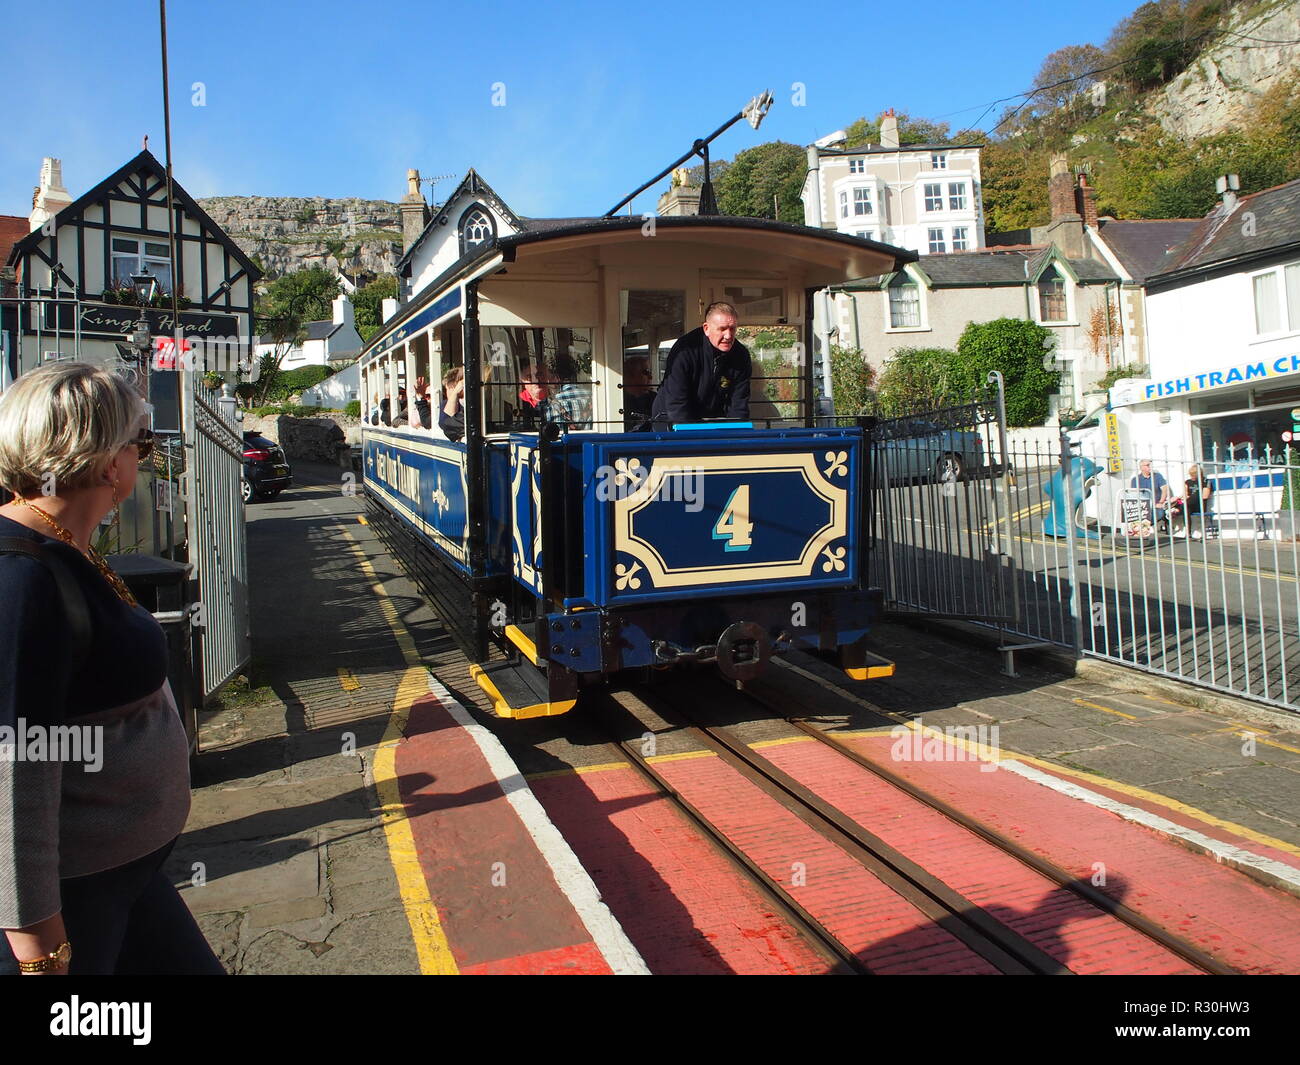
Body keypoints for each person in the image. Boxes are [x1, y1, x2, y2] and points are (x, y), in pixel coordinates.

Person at [0, 362, 222, 975]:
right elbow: (16, 767)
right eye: (139, 444)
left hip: (129, 872)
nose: (144, 459)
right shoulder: (22, 579)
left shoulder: (64, 545)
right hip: (76, 899)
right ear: (106, 463)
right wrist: (39, 947)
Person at [651, 301, 751, 428]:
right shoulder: (685, 350)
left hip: (711, 418)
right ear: (706, 328)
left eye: (732, 329)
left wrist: (737, 437)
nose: (728, 335)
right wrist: (687, 436)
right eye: (722, 329)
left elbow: (739, 405)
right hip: (668, 418)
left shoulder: (740, 355)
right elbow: (677, 402)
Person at [548, 354, 591, 430]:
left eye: (550, 378)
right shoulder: (592, 397)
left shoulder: (551, 405)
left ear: (557, 377)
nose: (548, 382)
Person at [1130, 458, 1172, 528]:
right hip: (1143, 506)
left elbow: (1164, 490)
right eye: (1147, 465)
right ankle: (1143, 528)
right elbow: (1134, 494)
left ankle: (1144, 527)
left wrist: (1161, 502)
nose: (1150, 467)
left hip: (1156, 505)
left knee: (1159, 513)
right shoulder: (1135, 480)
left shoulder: (1157, 476)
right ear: (1141, 468)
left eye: (1150, 465)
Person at [622, 354, 656, 431]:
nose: (650, 377)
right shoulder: (619, 401)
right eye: (646, 372)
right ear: (629, 376)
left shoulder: (656, 399)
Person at [1180, 464, 1215, 539]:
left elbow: (1205, 496)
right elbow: (1185, 495)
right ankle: (1188, 532)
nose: (1191, 477)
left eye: (1193, 475)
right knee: (1186, 507)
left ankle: (1178, 508)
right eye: (1191, 475)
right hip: (1190, 505)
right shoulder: (1187, 482)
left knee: (1196, 495)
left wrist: (1192, 497)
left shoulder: (1206, 481)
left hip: (1201, 504)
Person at [439, 366, 465, 442]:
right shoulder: (445, 404)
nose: (446, 392)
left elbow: (447, 424)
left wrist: (455, 394)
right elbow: (445, 424)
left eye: (447, 389)